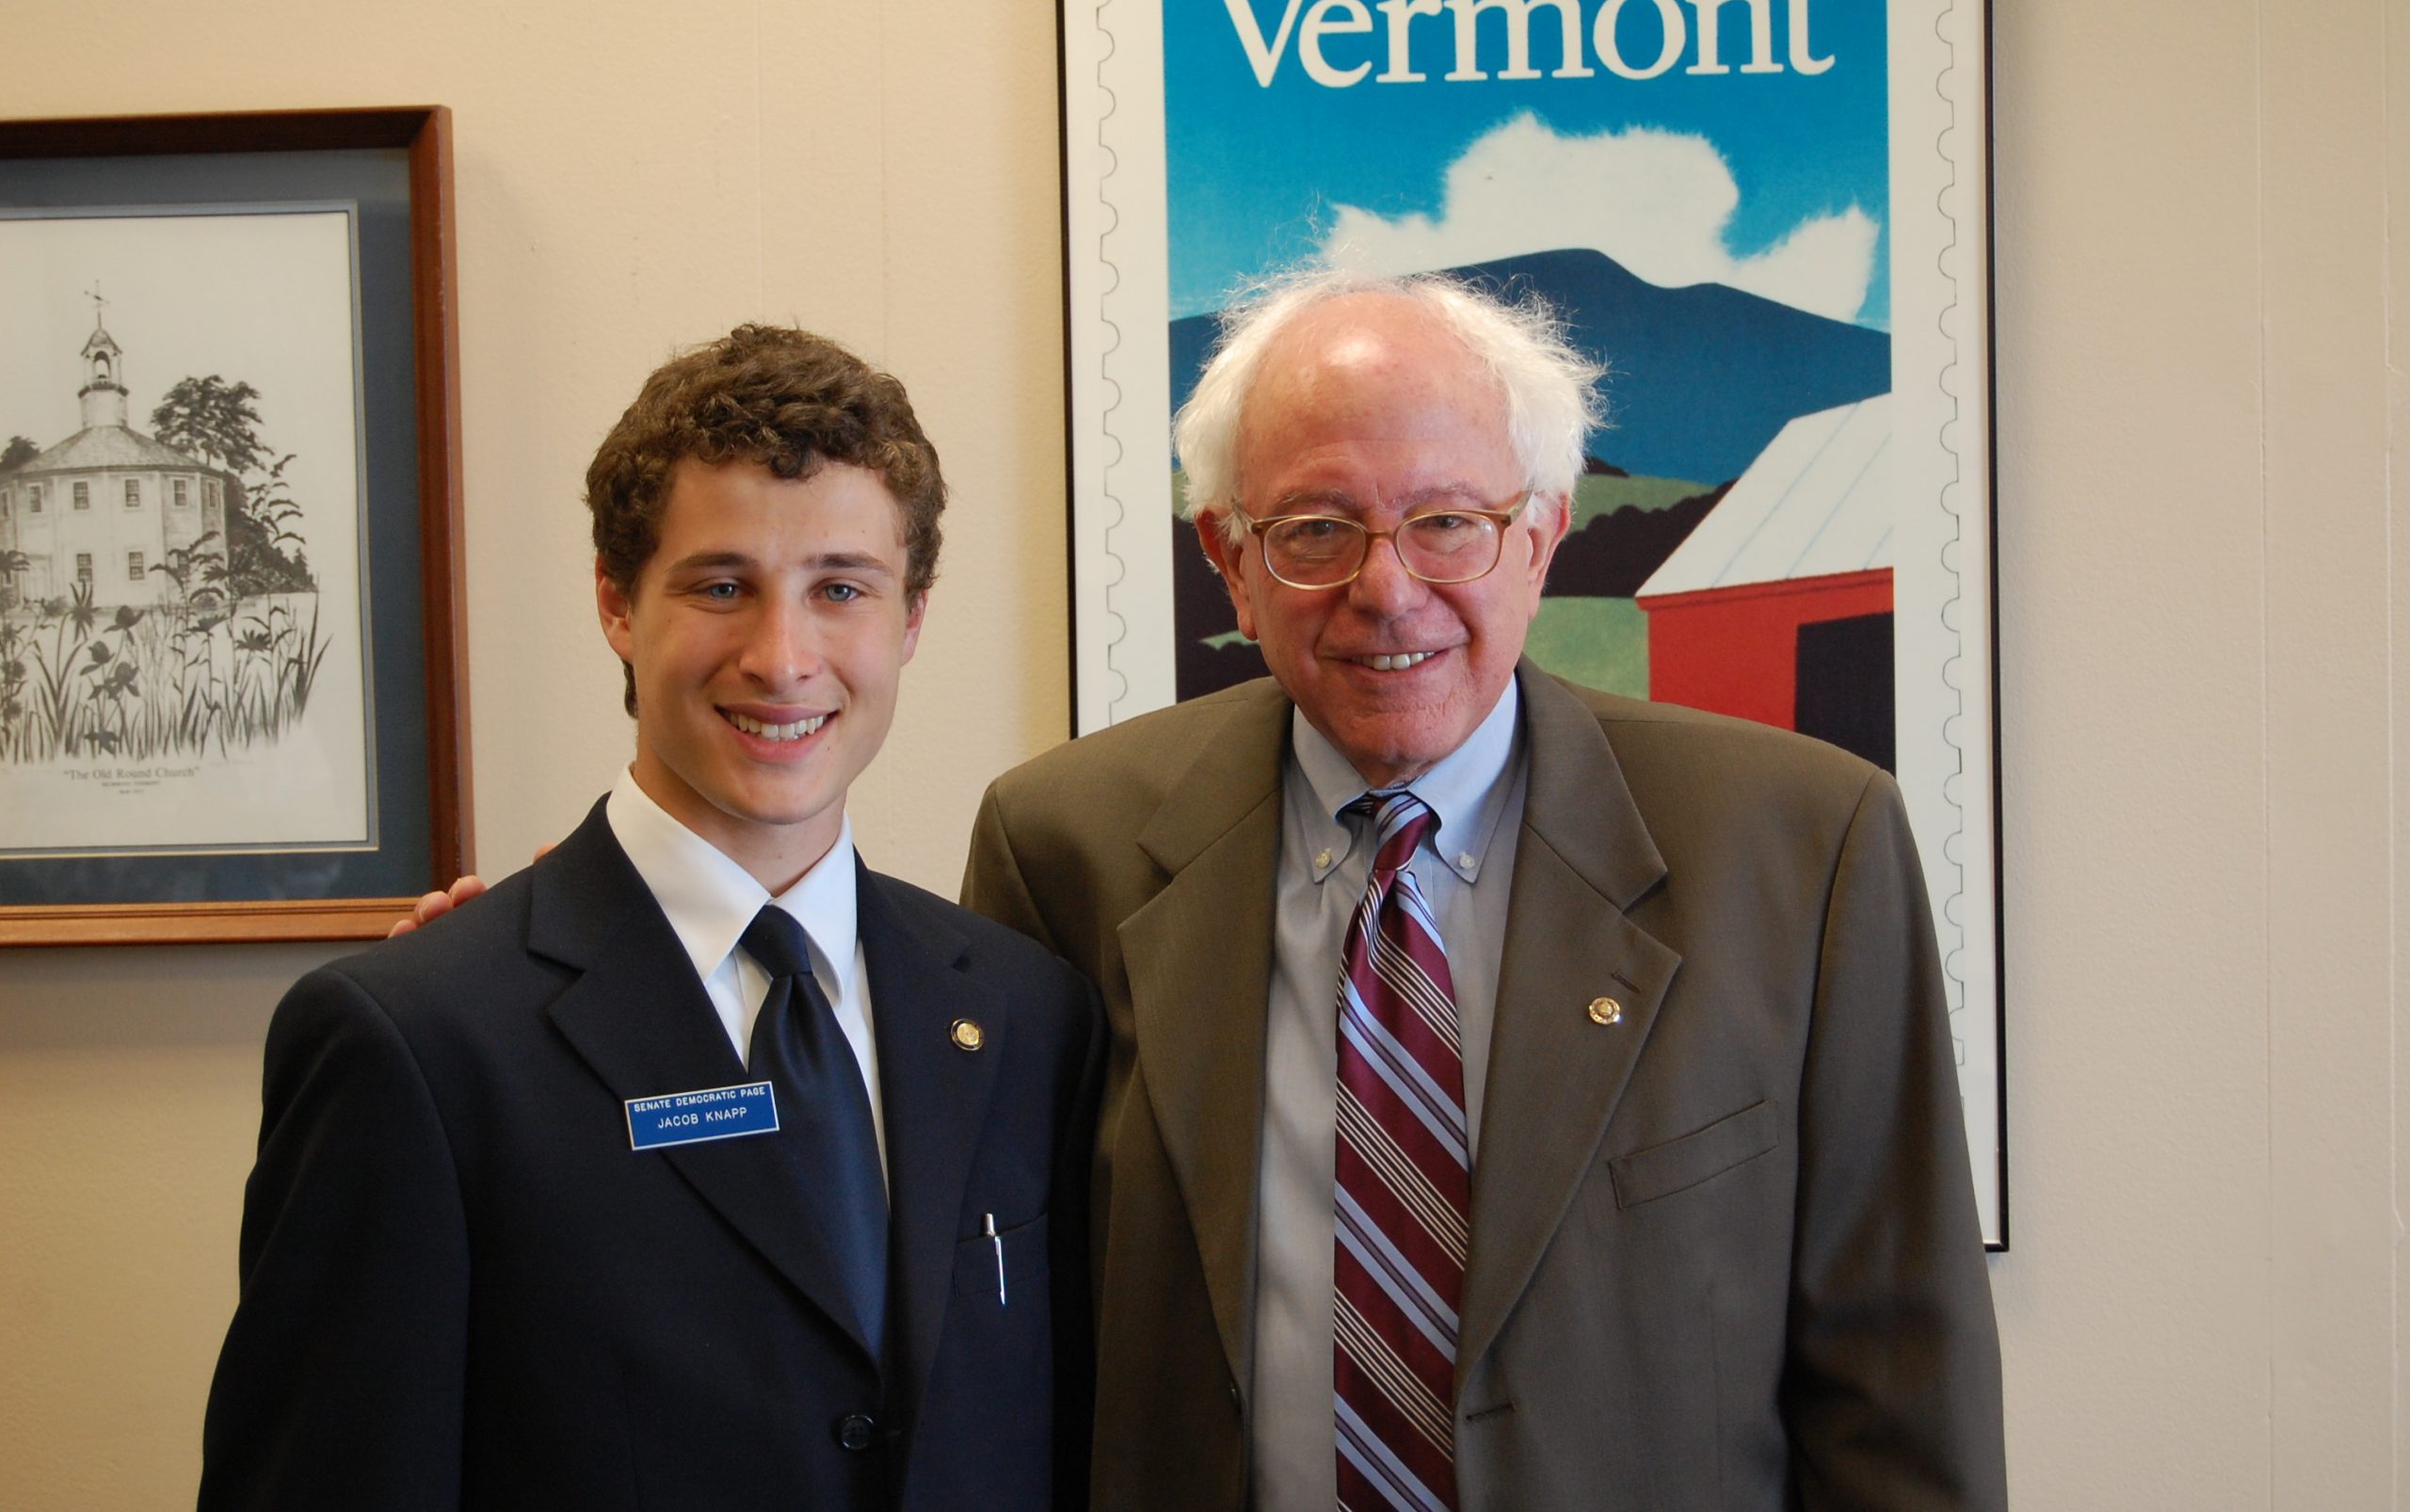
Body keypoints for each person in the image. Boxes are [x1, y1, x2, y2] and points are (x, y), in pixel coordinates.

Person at [958, 270, 2007, 1510]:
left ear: (1543, 534)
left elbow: (1894, 1371)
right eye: (1315, 528)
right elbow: (1002, 1348)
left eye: (1448, 520)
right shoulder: (1062, 848)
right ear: (1229, 559)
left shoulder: (1802, 847)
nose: (1386, 587)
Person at [199, 326, 1103, 1512]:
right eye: (721, 586)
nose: (783, 657)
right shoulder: (420, 1041)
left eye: (841, 588)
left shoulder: (1023, 1009)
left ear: (911, 618)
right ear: (618, 604)